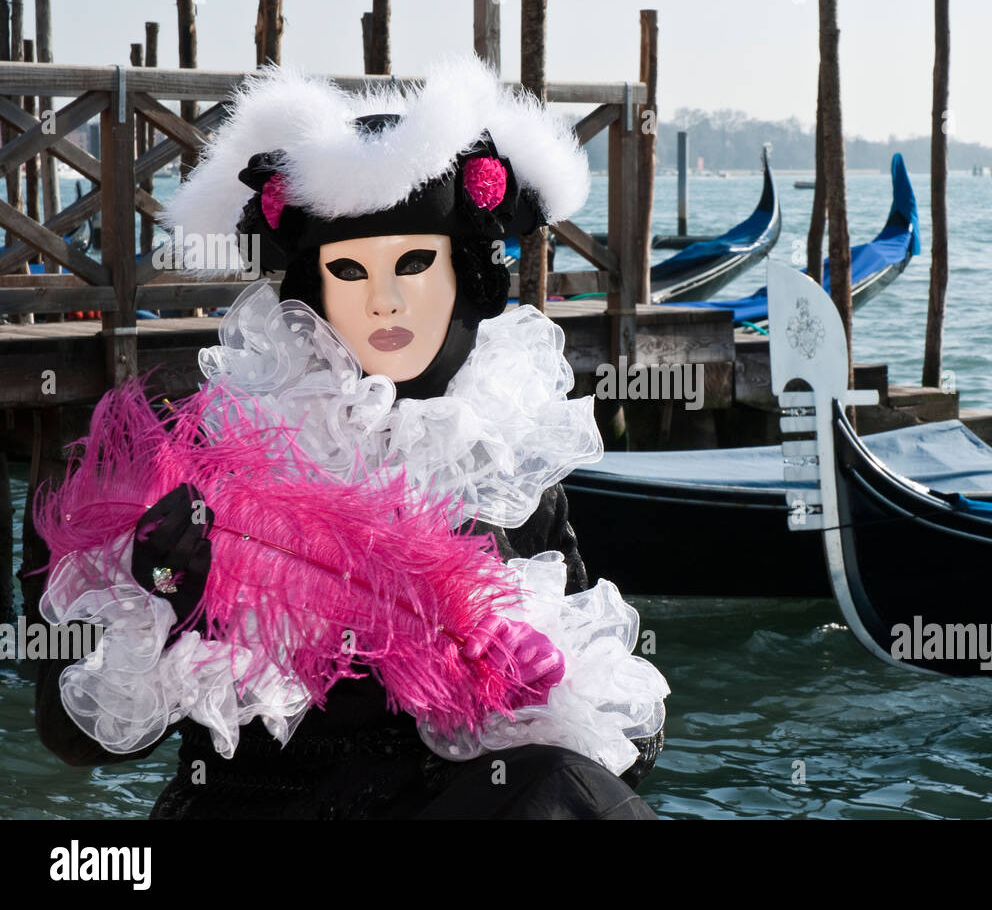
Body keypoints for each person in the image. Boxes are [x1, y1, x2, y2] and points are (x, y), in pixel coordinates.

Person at [32, 56, 668, 819]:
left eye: (412, 264)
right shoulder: (210, 445)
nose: (385, 300)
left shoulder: (502, 452)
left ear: (462, 274)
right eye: (351, 271)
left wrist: (545, 683)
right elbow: (74, 739)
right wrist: (161, 603)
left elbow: (624, 757)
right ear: (314, 290)